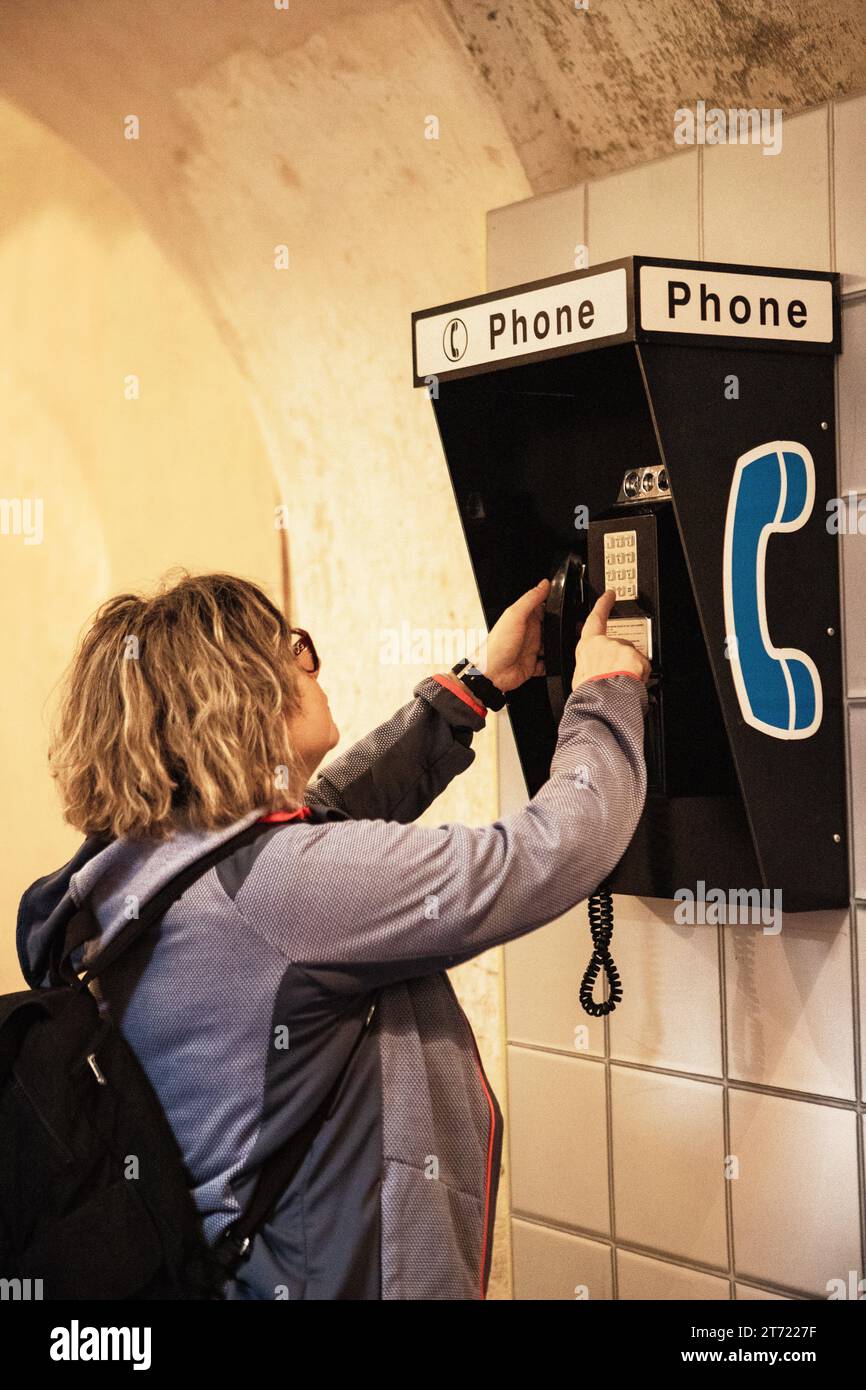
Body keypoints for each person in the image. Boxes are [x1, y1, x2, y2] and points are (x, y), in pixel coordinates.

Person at [16, 570, 649, 1300]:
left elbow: (321, 814)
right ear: (243, 692)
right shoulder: (280, 891)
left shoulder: (135, 871)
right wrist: (606, 693)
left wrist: (475, 686)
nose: (310, 665)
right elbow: (539, 859)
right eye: (293, 650)